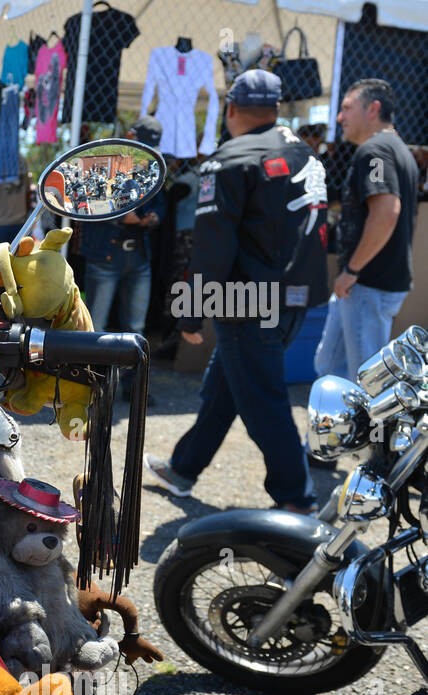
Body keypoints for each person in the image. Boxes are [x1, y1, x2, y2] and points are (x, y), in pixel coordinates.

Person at [144, 70, 328, 514]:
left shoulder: (228, 161)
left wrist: (190, 315)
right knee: (224, 384)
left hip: (249, 303)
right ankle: (184, 469)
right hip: (296, 298)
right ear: (277, 108)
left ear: (230, 109)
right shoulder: (306, 154)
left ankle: (297, 502)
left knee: (263, 401)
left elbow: (211, 250)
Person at [313, 79, 420, 381]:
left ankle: (369, 430)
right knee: (329, 368)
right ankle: (332, 427)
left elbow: (386, 213)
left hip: (367, 285)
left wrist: (353, 269)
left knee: (365, 383)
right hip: (363, 286)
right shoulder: (394, 149)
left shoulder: (375, 151)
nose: (339, 117)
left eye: (347, 108)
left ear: (373, 109)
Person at [79, 116, 165, 401]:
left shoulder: (152, 168)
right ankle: (93, 384)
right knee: (96, 325)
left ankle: (133, 386)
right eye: (143, 145)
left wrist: (153, 217)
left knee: (136, 326)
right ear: (129, 136)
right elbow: (88, 204)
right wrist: (121, 214)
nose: (147, 152)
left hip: (138, 254)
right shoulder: (105, 165)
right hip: (107, 254)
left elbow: (160, 204)